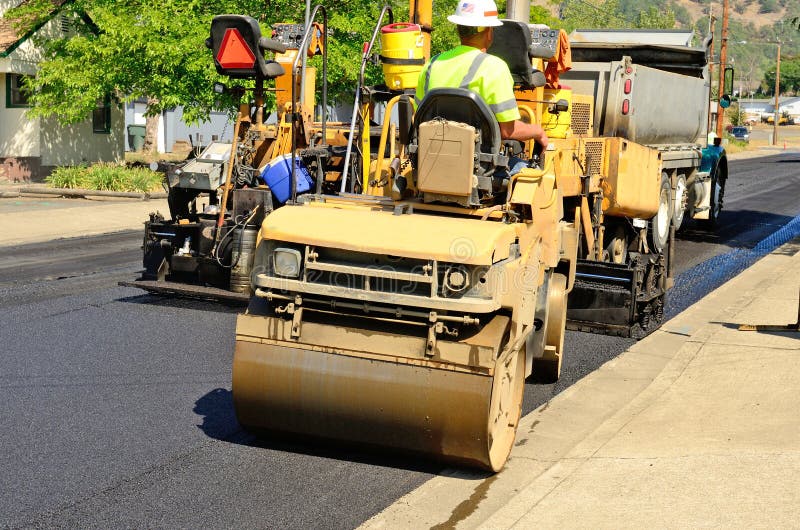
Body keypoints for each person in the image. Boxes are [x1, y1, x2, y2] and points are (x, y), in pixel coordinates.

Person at [415, 0, 549, 155]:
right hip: (480, 165)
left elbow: (419, 117)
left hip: (430, 159)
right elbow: (507, 131)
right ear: (489, 31)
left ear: (458, 29)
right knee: (522, 165)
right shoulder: (495, 67)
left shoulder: (431, 64)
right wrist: (538, 131)